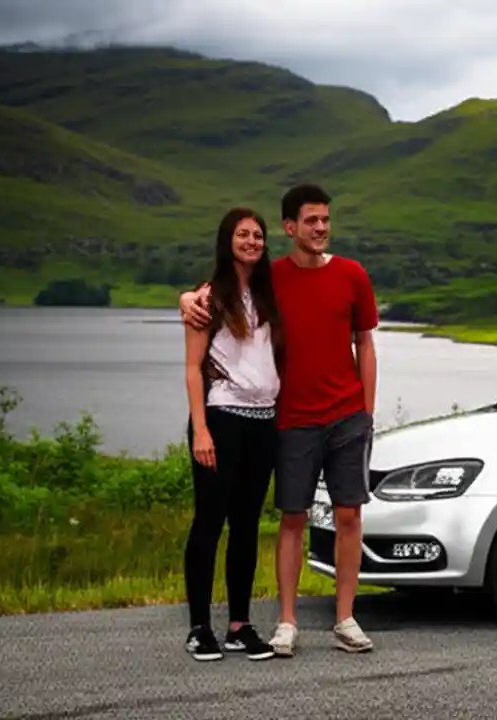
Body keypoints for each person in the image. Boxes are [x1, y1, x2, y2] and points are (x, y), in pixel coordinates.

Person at [180, 183, 378, 655]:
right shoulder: (252, 284)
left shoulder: (331, 277)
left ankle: (328, 620)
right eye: (311, 220)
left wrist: (366, 413)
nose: (321, 228)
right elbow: (208, 306)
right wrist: (185, 297)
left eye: (325, 220)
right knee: (272, 518)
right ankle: (251, 625)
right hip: (270, 419)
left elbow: (365, 343)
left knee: (324, 517)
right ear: (291, 227)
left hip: (320, 417)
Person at [181, 207, 283, 662]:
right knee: (209, 523)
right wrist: (201, 430)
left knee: (246, 526)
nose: (252, 241)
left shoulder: (268, 294)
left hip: (263, 423)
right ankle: (200, 628)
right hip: (221, 420)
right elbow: (191, 368)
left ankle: (240, 625)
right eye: (243, 234)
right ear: (228, 241)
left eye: (258, 235)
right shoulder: (208, 297)